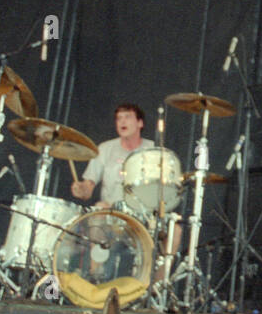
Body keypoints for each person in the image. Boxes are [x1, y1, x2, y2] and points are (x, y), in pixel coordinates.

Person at [71, 103, 182, 281]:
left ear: (140, 123)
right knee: (98, 208)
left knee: (175, 230)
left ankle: (158, 285)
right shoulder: (105, 149)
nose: (122, 122)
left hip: (145, 217)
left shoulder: (154, 149)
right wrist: (81, 189)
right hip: (113, 214)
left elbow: (164, 189)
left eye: (127, 117)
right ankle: (95, 275)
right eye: (119, 118)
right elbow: (87, 190)